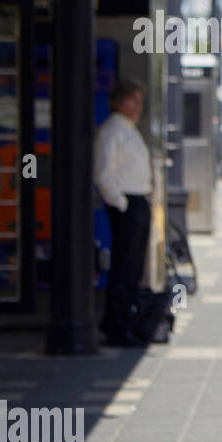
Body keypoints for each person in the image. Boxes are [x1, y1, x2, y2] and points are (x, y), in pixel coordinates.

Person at [93, 79, 153, 347]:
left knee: (134, 267)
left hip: (138, 200)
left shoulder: (129, 129)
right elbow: (103, 173)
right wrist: (120, 203)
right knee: (124, 266)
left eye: (140, 101)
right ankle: (118, 326)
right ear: (119, 101)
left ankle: (124, 320)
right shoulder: (112, 130)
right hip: (126, 203)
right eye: (133, 100)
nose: (138, 106)